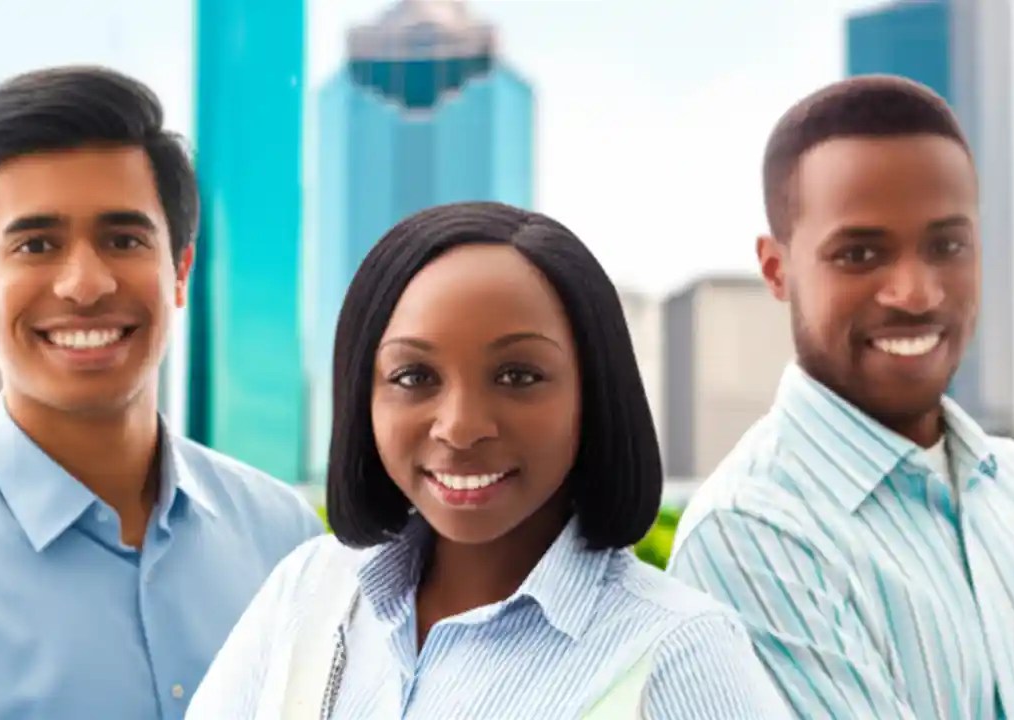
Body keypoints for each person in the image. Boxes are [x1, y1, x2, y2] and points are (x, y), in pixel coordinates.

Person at [0, 66, 324, 719]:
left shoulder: (281, 536)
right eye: (36, 244)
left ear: (179, 269)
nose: (85, 284)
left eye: (123, 240)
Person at [186, 201, 790, 719]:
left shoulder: (680, 651)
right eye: (414, 375)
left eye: (518, 375)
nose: (462, 427)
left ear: (593, 392)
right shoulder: (310, 588)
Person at [667, 74, 1014, 720]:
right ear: (776, 269)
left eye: (948, 246)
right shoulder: (748, 536)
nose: (916, 292)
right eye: (860, 253)